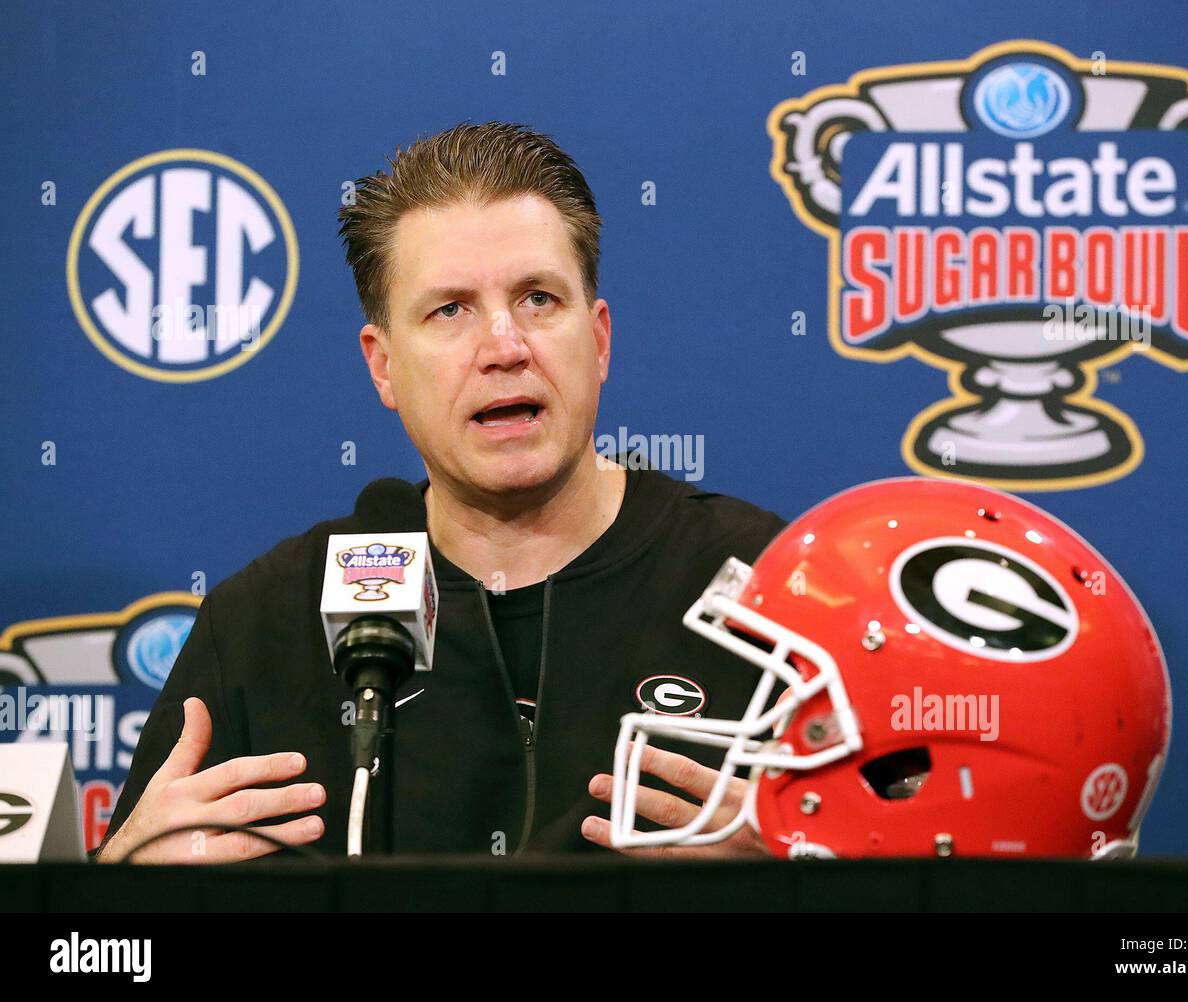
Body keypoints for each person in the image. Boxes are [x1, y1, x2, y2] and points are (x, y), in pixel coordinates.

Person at [94, 121, 785, 863]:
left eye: (539, 299)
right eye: (449, 310)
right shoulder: (264, 624)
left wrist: (809, 867)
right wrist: (123, 892)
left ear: (600, 338)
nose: (505, 346)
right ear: (382, 366)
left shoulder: (773, 590)